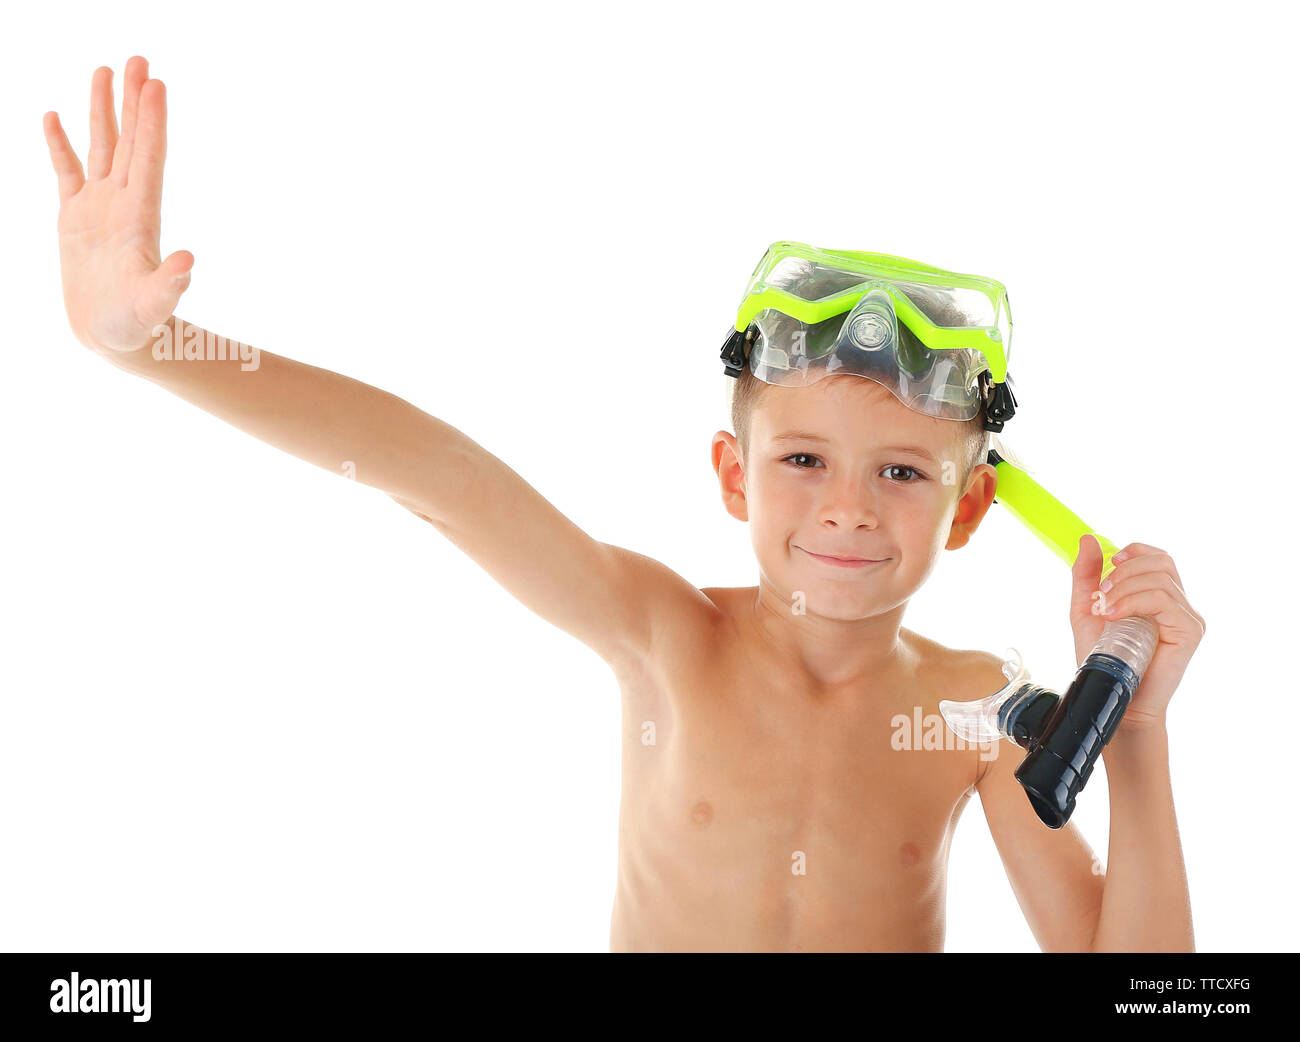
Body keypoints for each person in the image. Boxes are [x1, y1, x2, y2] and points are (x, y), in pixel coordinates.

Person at [42, 56, 1205, 952]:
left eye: (901, 471)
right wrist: (161, 351)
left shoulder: (975, 709)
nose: (848, 508)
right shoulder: (665, 635)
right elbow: (434, 472)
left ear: (967, 509)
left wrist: (1137, 730)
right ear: (731, 474)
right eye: (804, 459)